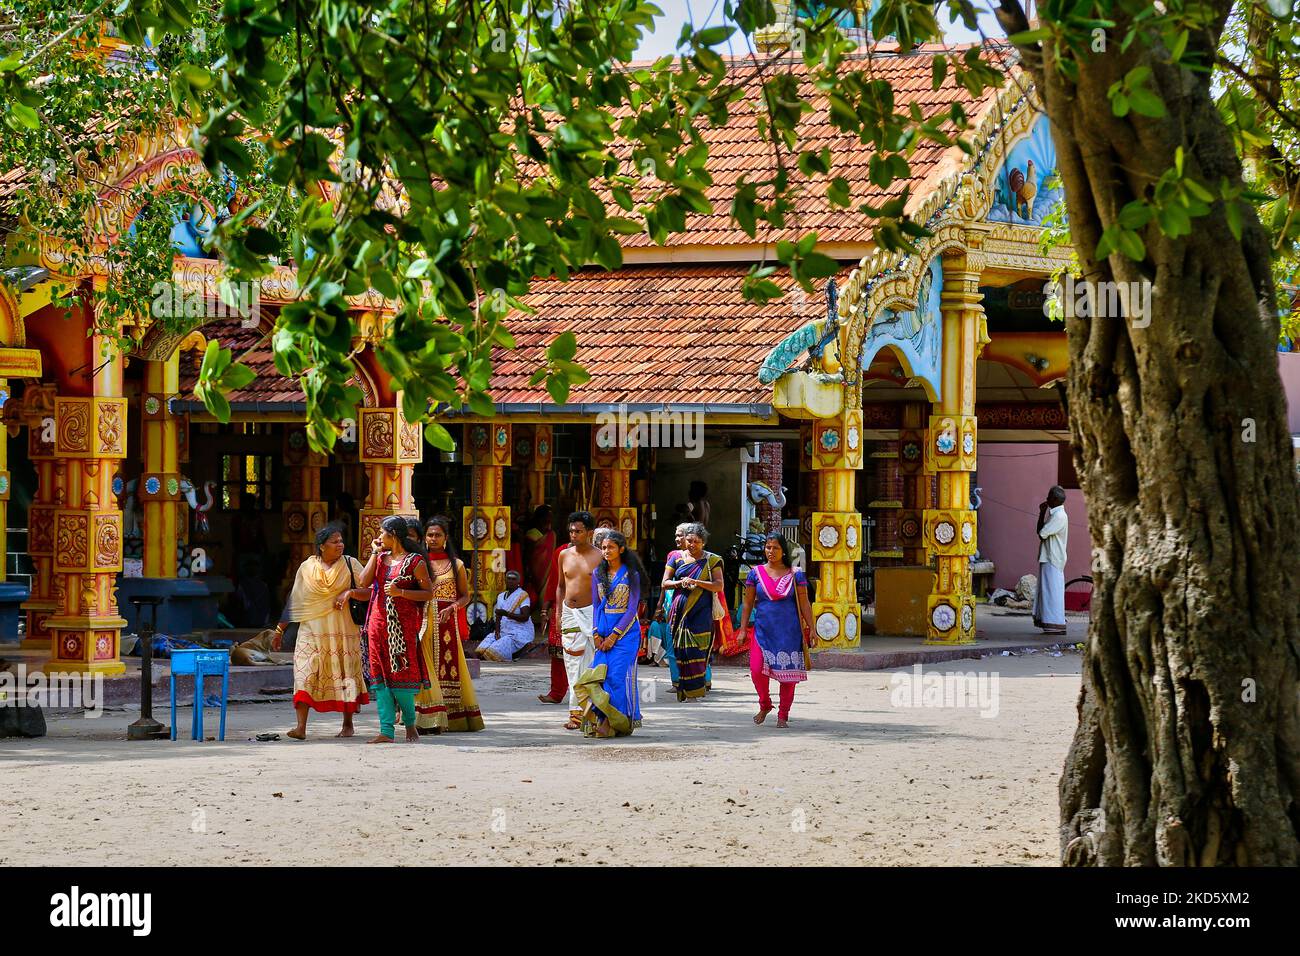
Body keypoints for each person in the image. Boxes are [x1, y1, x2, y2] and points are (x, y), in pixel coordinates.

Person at [277, 523, 369, 739]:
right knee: (304, 671)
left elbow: (369, 590)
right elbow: (295, 600)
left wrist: (350, 593)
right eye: (334, 541)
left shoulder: (350, 563)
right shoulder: (306, 568)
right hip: (311, 630)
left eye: (341, 541)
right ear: (321, 546)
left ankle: (348, 724)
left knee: (346, 673)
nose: (340, 544)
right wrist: (279, 629)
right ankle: (300, 727)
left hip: (343, 630)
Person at [354, 516, 433, 743]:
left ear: (394, 535)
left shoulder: (415, 561)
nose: (379, 537)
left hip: (403, 627)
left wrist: (401, 593)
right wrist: (373, 553)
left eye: (382, 534)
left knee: (402, 677)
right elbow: (363, 581)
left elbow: (428, 593)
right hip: (378, 625)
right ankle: (386, 730)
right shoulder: (381, 558)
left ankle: (410, 724)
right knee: (380, 679)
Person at [411, 516, 486, 733]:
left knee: (447, 669)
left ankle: (450, 717)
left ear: (445, 538)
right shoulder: (417, 562)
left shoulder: (457, 565)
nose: (433, 539)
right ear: (424, 537)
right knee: (423, 667)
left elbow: (465, 596)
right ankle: (424, 717)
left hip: (446, 625)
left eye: (438, 535)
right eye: (430, 535)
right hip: (422, 622)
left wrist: (452, 608)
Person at [573, 531, 646, 737]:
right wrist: (596, 634)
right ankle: (604, 720)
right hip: (602, 631)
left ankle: (614, 722)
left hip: (625, 633)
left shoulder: (632, 574)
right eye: (603, 548)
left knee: (616, 677)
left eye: (610, 547)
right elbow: (596, 606)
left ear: (621, 549)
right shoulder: (598, 573)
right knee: (598, 677)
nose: (606, 551)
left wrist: (614, 636)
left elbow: (632, 609)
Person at [737, 533, 813, 729]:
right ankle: (765, 704)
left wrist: (812, 628)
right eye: (768, 547)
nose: (771, 551)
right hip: (763, 630)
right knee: (756, 670)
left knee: (787, 676)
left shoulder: (796, 574)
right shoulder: (756, 573)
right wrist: (743, 629)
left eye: (776, 548)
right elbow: (747, 604)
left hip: (790, 631)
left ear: (783, 551)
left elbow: (804, 603)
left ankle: (783, 714)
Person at [662, 522, 724, 701]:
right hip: (679, 611)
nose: (691, 545)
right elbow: (665, 583)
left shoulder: (712, 560)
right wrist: (680, 583)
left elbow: (719, 585)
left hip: (701, 612)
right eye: (689, 541)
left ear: (703, 542)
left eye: (696, 541)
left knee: (698, 649)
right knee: (681, 651)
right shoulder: (676, 558)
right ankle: (684, 689)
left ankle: (696, 690)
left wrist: (697, 583)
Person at [556, 511, 603, 730]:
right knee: (571, 664)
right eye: (571, 531)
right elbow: (560, 586)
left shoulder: (600, 556)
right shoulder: (564, 555)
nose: (574, 535)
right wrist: (558, 613)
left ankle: (590, 713)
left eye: (578, 531)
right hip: (569, 612)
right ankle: (575, 714)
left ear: (590, 533)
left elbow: (607, 590)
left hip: (591, 613)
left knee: (590, 664)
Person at [537, 538, 571, 705]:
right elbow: (554, 582)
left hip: (588, 608)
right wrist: (546, 609)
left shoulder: (596, 554)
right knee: (558, 652)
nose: (574, 535)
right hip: (562, 607)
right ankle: (556, 692)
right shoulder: (561, 552)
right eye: (572, 531)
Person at [1033, 486, 1069, 635]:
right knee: (1049, 591)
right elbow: (1041, 532)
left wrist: (1042, 513)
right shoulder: (1056, 514)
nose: (1046, 498)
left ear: (1054, 499)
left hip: (1052, 558)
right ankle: (1052, 623)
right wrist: (1042, 513)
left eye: (1049, 497)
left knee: (1051, 591)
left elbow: (1042, 534)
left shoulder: (1059, 516)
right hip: (1050, 557)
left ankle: (1055, 623)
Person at [478, 570, 533, 662]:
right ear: (505, 581)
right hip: (503, 630)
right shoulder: (501, 596)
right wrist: (497, 631)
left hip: (518, 632)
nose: (511, 581)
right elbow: (498, 615)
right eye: (509, 579)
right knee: (480, 650)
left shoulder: (523, 595)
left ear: (518, 582)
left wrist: (506, 614)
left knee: (491, 653)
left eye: (513, 579)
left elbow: (525, 617)